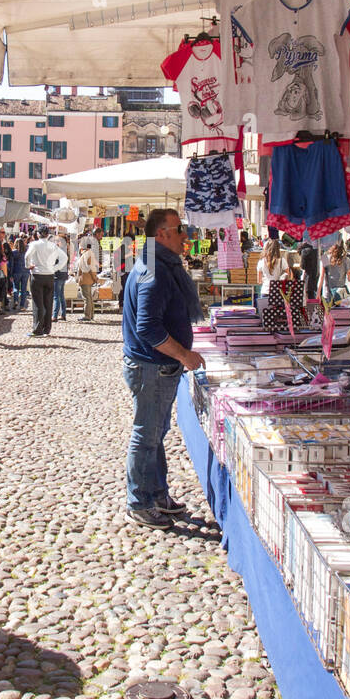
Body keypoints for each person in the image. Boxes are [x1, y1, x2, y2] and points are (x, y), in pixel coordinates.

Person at [121, 210, 204, 530]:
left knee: (154, 434)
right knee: (146, 435)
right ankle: (139, 502)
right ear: (162, 235)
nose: (186, 235)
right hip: (152, 368)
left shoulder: (157, 265)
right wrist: (184, 355)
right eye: (179, 229)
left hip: (154, 368)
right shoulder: (154, 271)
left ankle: (156, 494)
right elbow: (149, 329)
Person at [25, 229, 66, 337]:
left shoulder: (34, 244)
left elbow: (27, 256)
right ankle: (46, 329)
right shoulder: (52, 246)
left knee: (37, 303)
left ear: (38, 234)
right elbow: (64, 258)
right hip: (49, 276)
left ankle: (37, 329)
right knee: (48, 302)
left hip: (37, 275)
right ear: (48, 235)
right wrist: (55, 268)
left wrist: (28, 266)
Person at [76, 240, 101, 322]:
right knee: (89, 297)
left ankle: (87, 315)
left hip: (86, 278)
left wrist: (94, 277)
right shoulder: (88, 254)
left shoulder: (87, 255)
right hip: (87, 277)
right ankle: (90, 315)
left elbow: (89, 267)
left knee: (86, 297)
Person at [51, 235, 71, 323]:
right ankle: (63, 314)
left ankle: (54, 315)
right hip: (63, 275)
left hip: (57, 275)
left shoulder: (58, 251)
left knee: (56, 296)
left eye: (56, 241)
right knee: (61, 295)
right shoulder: (66, 250)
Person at [116, 230, 137, 301]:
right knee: (125, 287)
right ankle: (122, 302)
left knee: (127, 287)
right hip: (124, 271)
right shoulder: (123, 246)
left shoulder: (126, 246)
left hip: (127, 270)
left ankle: (123, 302)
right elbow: (122, 257)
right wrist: (130, 254)